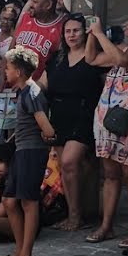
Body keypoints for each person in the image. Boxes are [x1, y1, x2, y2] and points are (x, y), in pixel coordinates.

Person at [87, 10, 128, 246]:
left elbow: (125, 61)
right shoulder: (122, 48)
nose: (126, 23)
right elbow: (91, 59)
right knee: (111, 174)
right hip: (106, 116)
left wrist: (99, 33)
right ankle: (107, 226)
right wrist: (92, 37)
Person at [42, 13, 105, 231]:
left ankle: (77, 216)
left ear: (85, 32)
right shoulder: (56, 59)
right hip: (59, 115)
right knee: (64, 167)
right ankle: (73, 214)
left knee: (70, 162)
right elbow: (43, 85)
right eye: (68, 31)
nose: (72, 35)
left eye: (76, 30)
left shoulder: (94, 58)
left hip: (84, 115)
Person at [0, 47, 53, 256]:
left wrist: (49, 138)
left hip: (32, 152)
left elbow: (46, 127)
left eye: (7, 68)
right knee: (10, 202)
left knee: (29, 203)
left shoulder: (32, 93)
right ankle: (19, 251)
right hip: (22, 150)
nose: (4, 72)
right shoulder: (23, 92)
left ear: (18, 71)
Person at [14, 0, 64, 80]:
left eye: (35, 2)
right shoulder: (25, 18)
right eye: (31, 1)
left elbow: (58, 65)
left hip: (37, 89)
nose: (31, 5)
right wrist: (2, 79)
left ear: (48, 5)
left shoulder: (62, 27)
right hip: (12, 86)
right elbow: (10, 51)